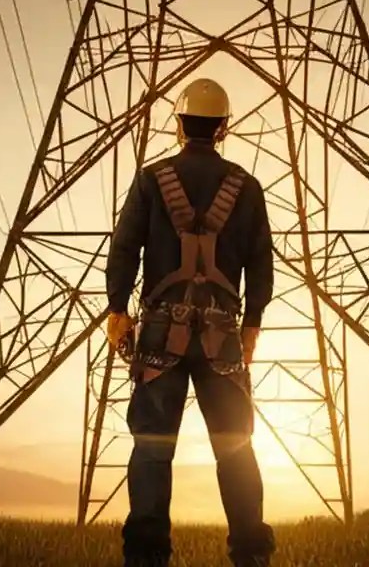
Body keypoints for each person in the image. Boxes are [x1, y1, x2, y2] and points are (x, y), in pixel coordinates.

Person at [105, 77, 276, 567]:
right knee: (236, 449)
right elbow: (262, 263)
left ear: (180, 125)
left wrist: (119, 310)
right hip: (223, 339)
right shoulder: (246, 187)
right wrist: (251, 326)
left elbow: (124, 248)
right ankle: (251, 558)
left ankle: (146, 560)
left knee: (153, 449)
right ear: (223, 128)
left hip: (161, 337)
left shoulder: (151, 180)